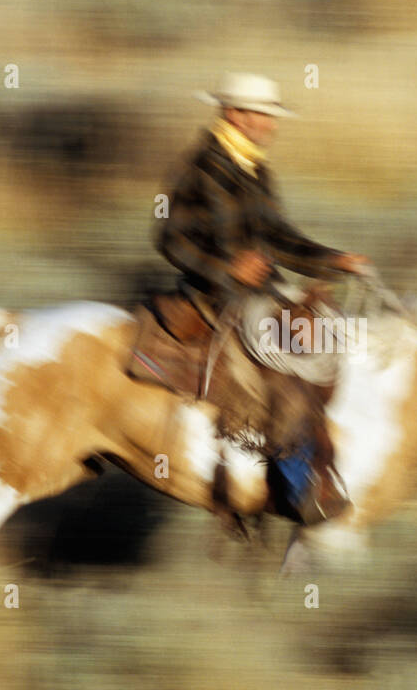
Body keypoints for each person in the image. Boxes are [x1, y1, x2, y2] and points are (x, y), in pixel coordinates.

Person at [154, 71, 372, 524]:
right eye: (262, 116)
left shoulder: (255, 168)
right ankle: (301, 492)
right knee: (287, 372)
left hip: (260, 291)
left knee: (322, 339)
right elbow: (169, 238)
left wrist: (332, 261)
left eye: (271, 117)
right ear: (233, 114)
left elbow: (278, 237)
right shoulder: (197, 168)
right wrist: (226, 268)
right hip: (215, 294)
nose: (270, 125)